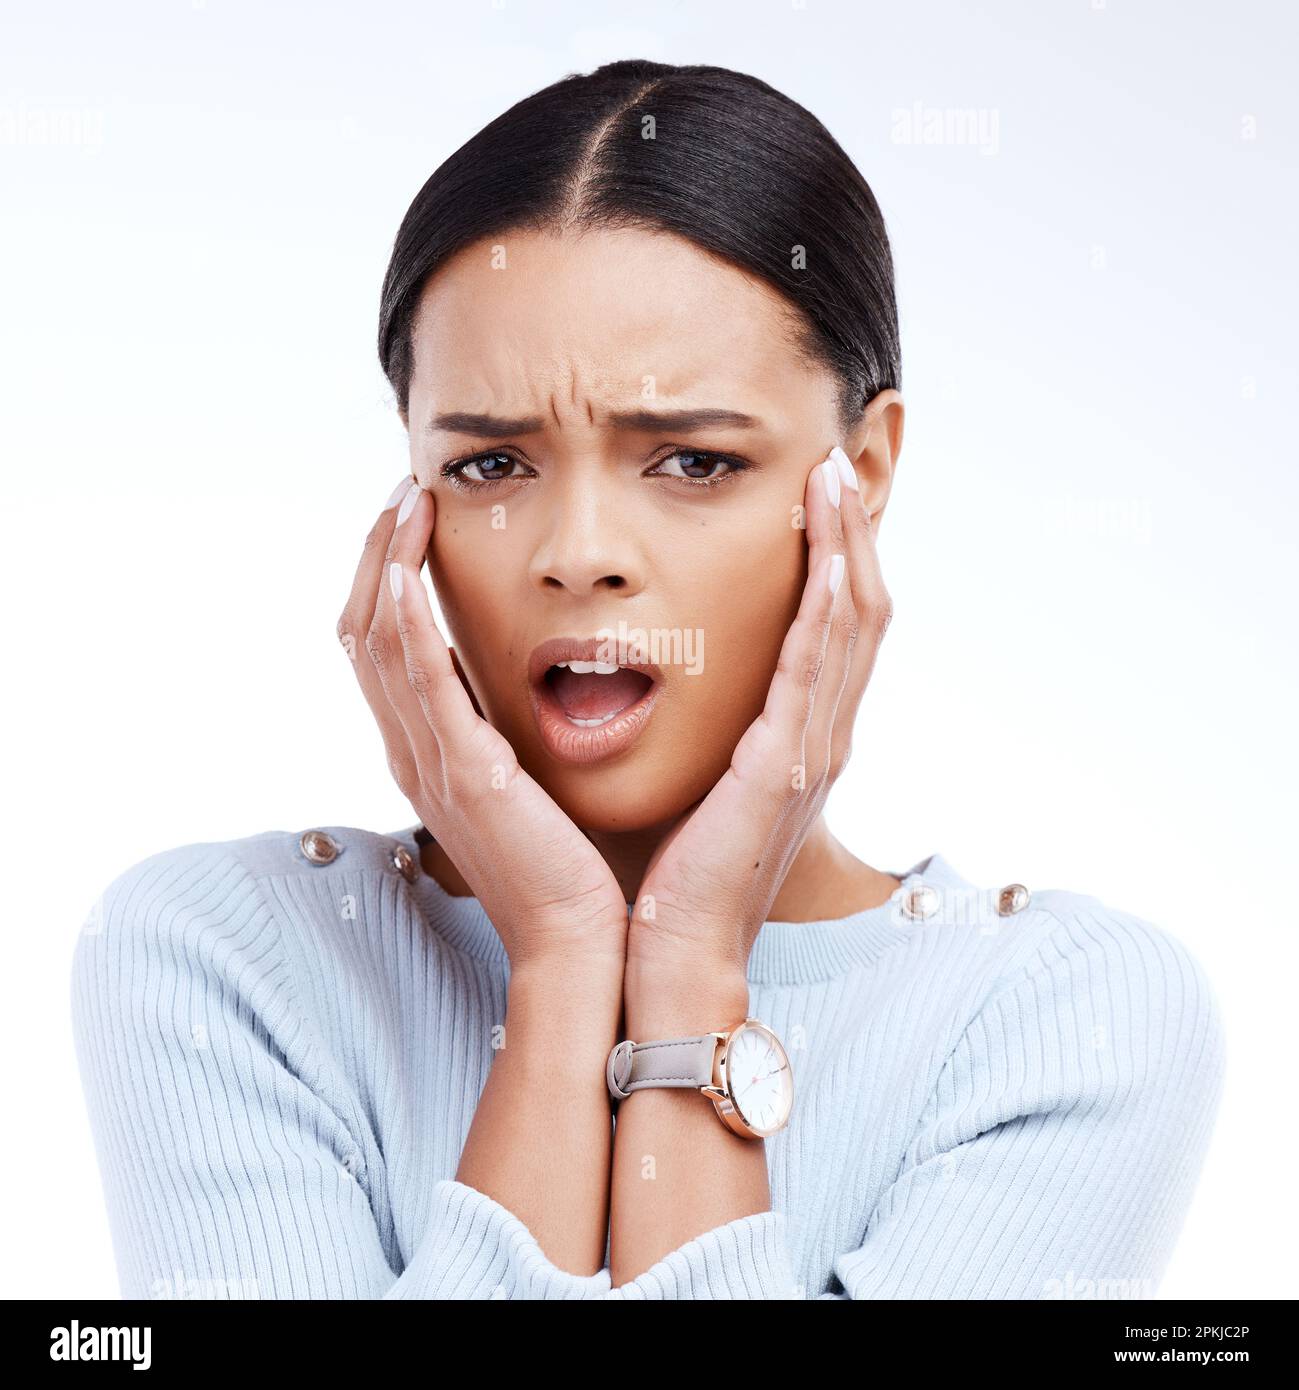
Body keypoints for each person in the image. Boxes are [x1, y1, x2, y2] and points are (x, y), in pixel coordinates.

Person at [69, 59, 1225, 1300]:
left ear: (865, 470)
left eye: (689, 461)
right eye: (492, 466)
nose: (578, 557)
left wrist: (689, 969)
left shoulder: (1068, 1022)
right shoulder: (227, 962)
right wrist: (564, 964)